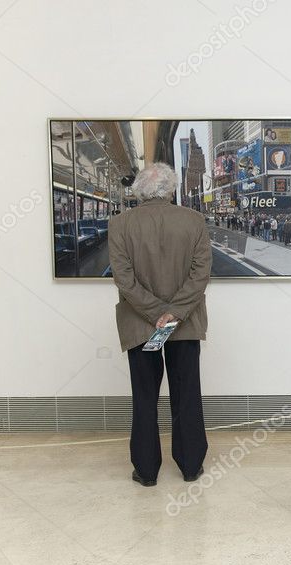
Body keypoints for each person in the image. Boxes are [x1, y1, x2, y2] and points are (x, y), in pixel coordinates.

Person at [107, 163, 211, 487]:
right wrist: (174, 313)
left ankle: (147, 469)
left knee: (144, 396)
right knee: (187, 395)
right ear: (170, 188)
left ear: (139, 190)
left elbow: (124, 281)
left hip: (140, 325)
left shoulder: (120, 224)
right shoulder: (194, 221)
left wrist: (155, 314)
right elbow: (200, 275)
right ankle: (191, 465)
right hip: (185, 325)